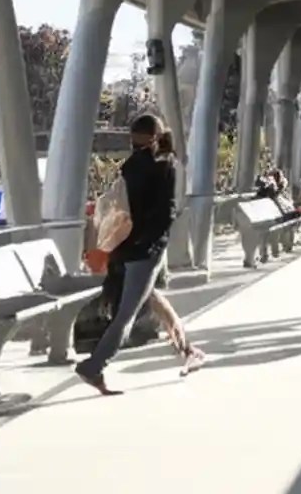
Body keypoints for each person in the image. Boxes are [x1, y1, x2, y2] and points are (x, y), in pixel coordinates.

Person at [75, 114, 177, 395]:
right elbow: (165, 212)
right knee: (126, 315)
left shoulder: (132, 165)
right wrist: (155, 239)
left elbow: (123, 209)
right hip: (147, 250)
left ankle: (185, 346)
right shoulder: (164, 166)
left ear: (135, 137)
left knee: (143, 299)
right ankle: (93, 366)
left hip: (125, 248)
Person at [145, 130, 206, 376]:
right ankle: (178, 339)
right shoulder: (174, 166)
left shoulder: (161, 168)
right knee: (150, 290)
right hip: (161, 234)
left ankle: (182, 342)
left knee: (149, 292)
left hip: (151, 237)